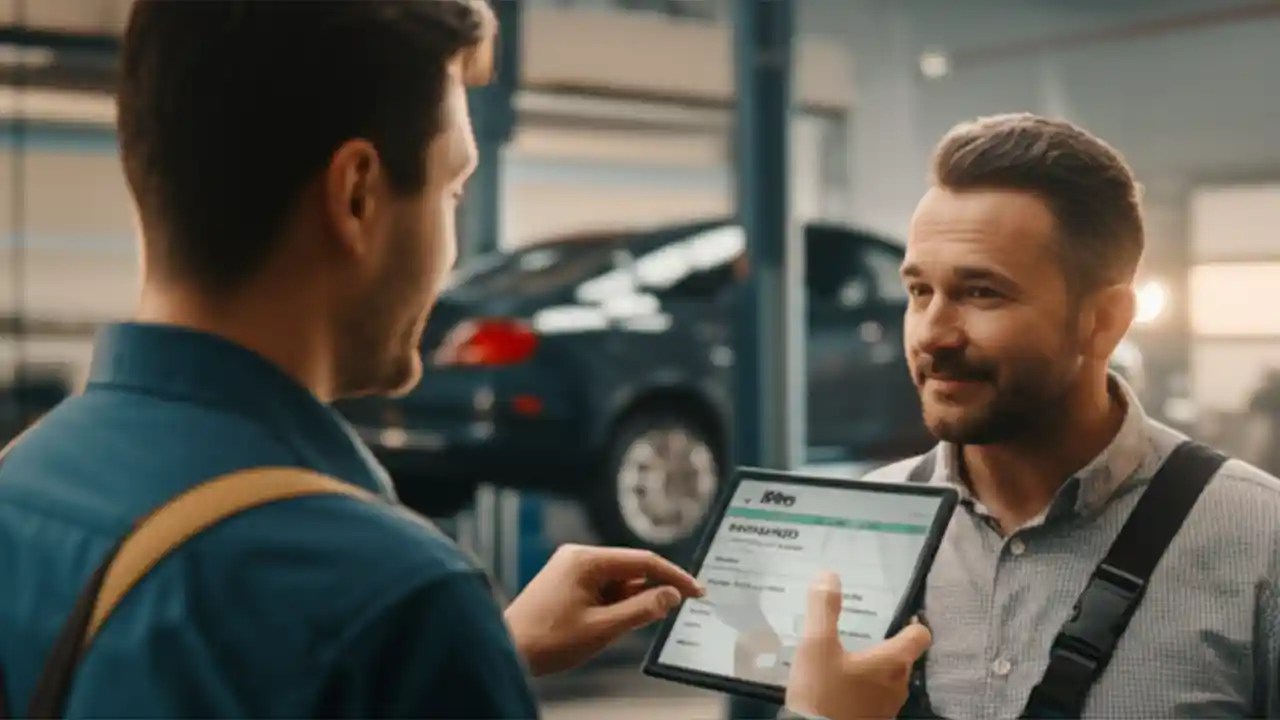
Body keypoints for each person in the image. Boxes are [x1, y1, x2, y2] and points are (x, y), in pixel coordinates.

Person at [0, 2, 927, 718]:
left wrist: (486, 651)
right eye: (452, 189)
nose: (455, 253)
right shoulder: (389, 597)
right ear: (358, 195)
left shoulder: (24, 489)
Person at [864, 112, 1280, 717]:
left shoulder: (1261, 543)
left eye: (983, 292)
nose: (933, 334)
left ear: (1105, 321)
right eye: (920, 291)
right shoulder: (861, 526)